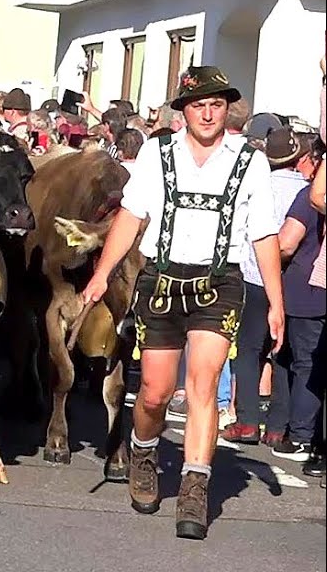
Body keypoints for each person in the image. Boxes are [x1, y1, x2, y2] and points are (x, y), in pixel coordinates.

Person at [81, 66, 282, 540]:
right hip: (162, 279)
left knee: (203, 385)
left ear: (225, 108)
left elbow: (263, 232)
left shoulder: (248, 161)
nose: (208, 113)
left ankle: (195, 485)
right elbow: (133, 215)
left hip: (220, 282)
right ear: (184, 111)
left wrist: (275, 299)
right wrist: (102, 274)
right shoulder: (157, 152)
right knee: (153, 391)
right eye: (199, 105)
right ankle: (144, 448)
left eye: (216, 104)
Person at [222, 127, 311, 446]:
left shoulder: (254, 187)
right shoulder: (308, 190)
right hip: (291, 280)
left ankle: (246, 421)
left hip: (252, 274)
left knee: (247, 349)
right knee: (282, 353)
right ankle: (277, 427)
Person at [268, 135, 324, 466]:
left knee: (299, 362)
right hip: (315, 289)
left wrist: (267, 259)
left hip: (305, 288)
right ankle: (300, 432)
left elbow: (287, 242)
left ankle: (299, 434)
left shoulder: (309, 196)